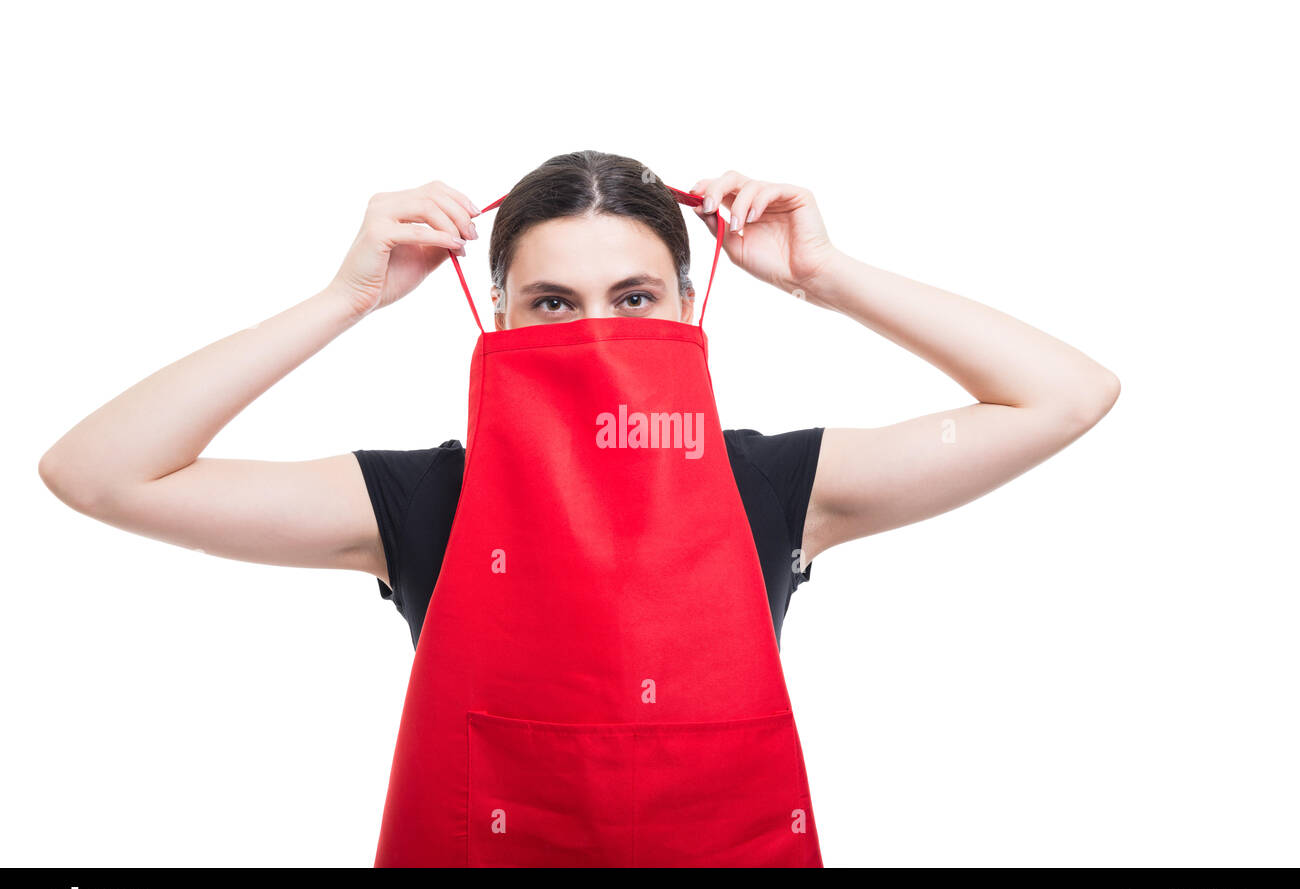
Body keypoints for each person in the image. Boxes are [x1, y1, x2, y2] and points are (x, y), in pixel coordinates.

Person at [37, 150, 1120, 656]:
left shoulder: (778, 488)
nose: (592, 332)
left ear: (689, 307)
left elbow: (1066, 396)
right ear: (495, 314)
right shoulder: (421, 503)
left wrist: (826, 277)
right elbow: (98, 474)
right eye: (551, 302)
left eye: (634, 296)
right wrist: (345, 299)